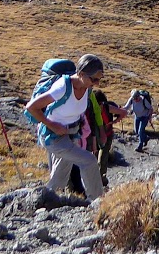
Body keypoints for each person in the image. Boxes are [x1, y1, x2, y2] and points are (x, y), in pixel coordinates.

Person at [26, 53, 106, 201]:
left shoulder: (87, 89)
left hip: (72, 135)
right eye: (94, 79)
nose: (97, 84)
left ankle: (45, 201)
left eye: (99, 79)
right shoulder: (62, 87)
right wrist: (52, 124)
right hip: (53, 136)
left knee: (60, 178)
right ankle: (98, 202)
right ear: (81, 74)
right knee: (89, 161)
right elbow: (31, 107)